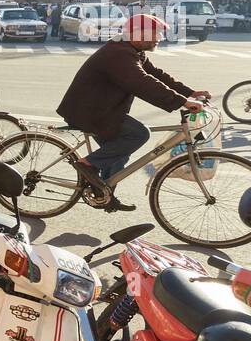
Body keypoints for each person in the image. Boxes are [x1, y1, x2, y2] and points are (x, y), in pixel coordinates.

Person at [57, 13, 210, 212]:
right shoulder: (118, 54)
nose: (159, 39)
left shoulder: (130, 50)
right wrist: (182, 101)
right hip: (88, 111)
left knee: (119, 152)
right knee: (138, 134)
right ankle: (87, 165)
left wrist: (190, 93)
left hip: (101, 110)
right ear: (139, 34)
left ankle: (103, 193)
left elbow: (156, 75)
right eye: (155, 34)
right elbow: (143, 83)